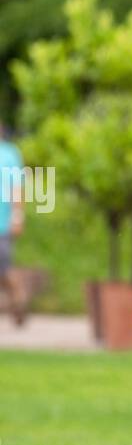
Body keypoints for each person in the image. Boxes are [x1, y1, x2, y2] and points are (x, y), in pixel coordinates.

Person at [0, 124, 26, 327]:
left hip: (2, 223)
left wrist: (17, 217)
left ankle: (19, 301)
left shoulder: (9, 154)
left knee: (5, 268)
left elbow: (17, 187)